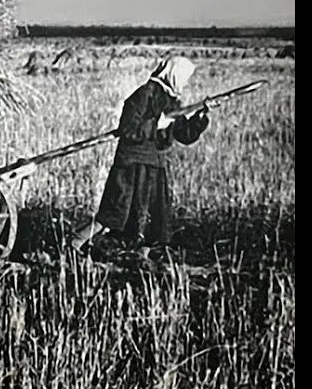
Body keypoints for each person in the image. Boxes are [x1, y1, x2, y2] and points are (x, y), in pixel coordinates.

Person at [69, 56, 210, 261]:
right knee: (116, 211)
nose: (186, 83)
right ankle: (77, 240)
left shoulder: (171, 101)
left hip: (154, 165)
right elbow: (128, 130)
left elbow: (183, 135)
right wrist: (157, 125)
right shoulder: (144, 95)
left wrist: (200, 119)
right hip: (131, 164)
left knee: (155, 214)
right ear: (173, 74)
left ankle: (142, 255)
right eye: (185, 78)